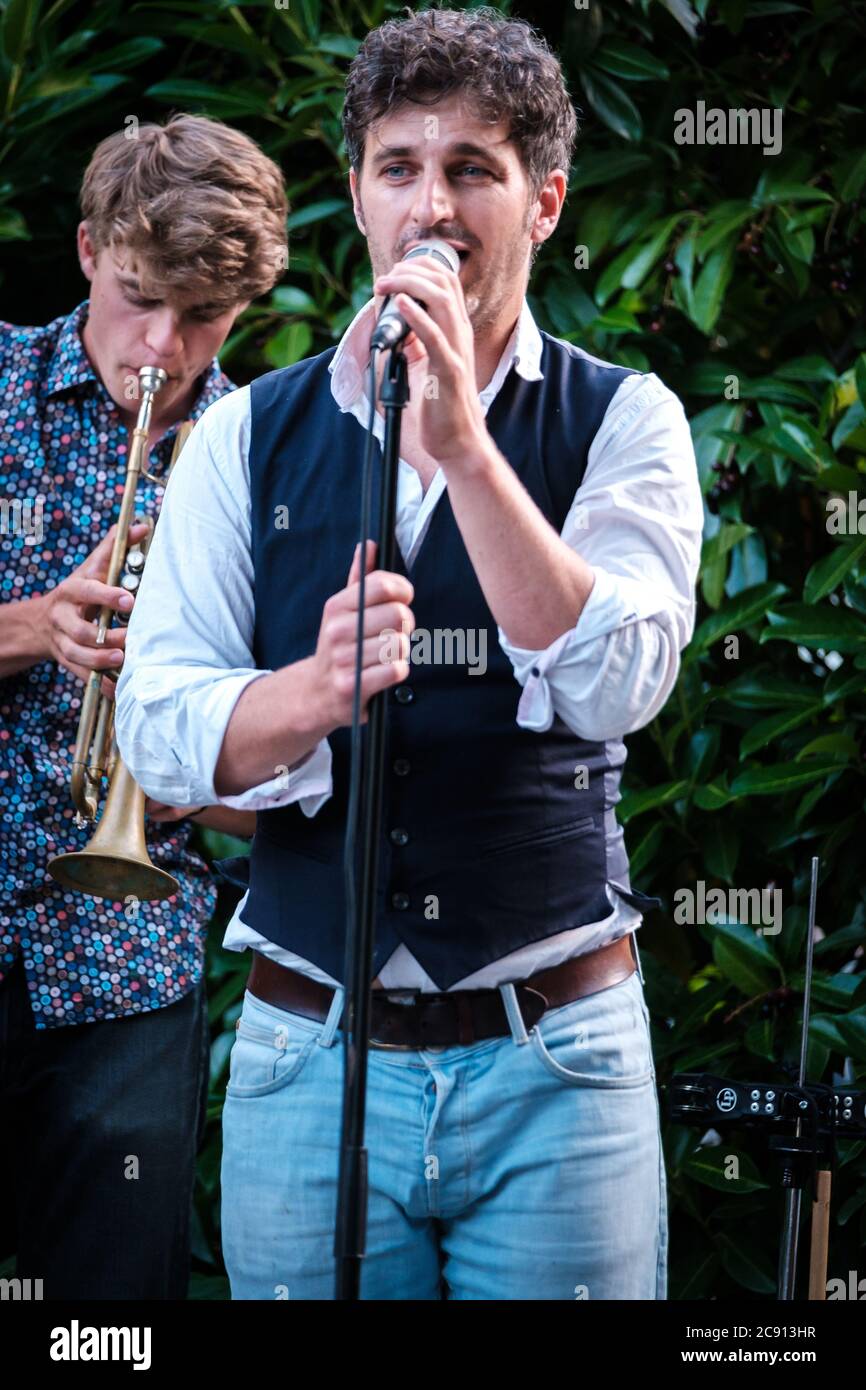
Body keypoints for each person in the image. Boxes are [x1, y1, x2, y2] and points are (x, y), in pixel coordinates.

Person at [116, 9, 703, 1300]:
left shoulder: (624, 420)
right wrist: (309, 693)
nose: (430, 205)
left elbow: (619, 681)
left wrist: (464, 450)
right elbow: (158, 717)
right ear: (357, 194)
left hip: (554, 1059)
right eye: (399, 167)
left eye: (471, 170)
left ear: (543, 201)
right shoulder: (246, 435)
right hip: (306, 1051)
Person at [0, 113, 288, 1299]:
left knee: (108, 1323)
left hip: (124, 963)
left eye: (203, 320)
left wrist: (200, 774)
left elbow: (306, 776)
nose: (161, 349)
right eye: (137, 299)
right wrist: (32, 625)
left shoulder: (272, 455)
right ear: (83, 250)